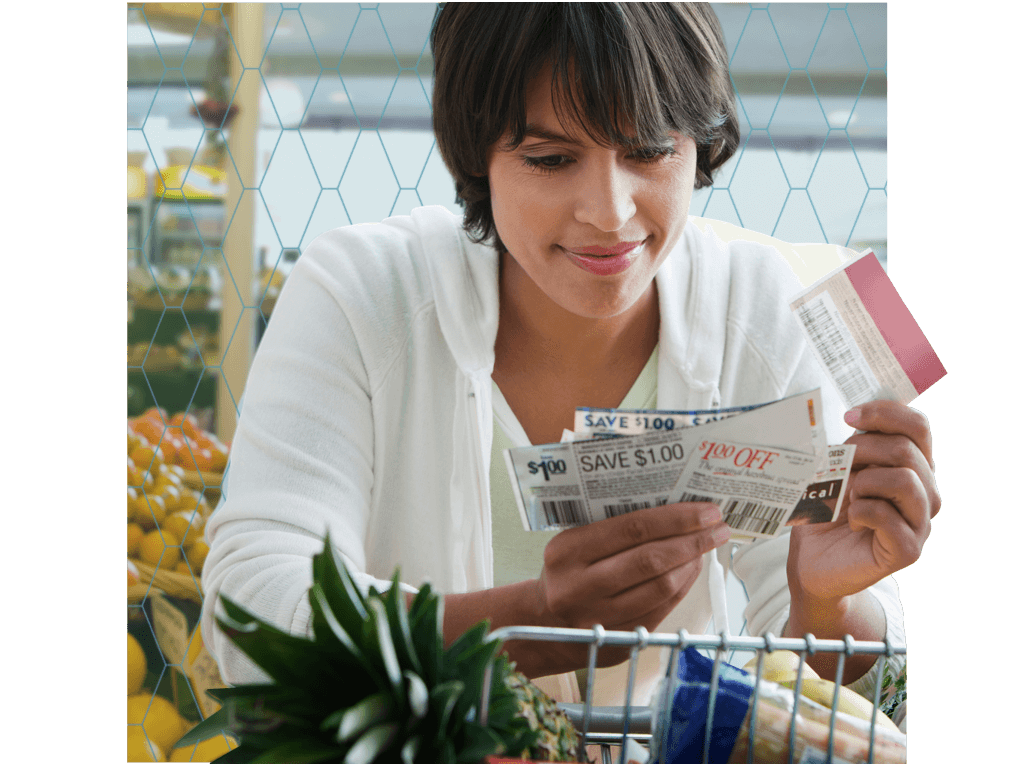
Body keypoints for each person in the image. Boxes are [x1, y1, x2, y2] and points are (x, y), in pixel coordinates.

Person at [201, 2, 935, 716]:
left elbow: (857, 708)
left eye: (649, 150)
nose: (610, 212)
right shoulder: (361, 294)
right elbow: (253, 615)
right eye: (551, 159)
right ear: (476, 156)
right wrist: (532, 620)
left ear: (698, 143)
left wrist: (824, 599)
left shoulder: (761, 304)